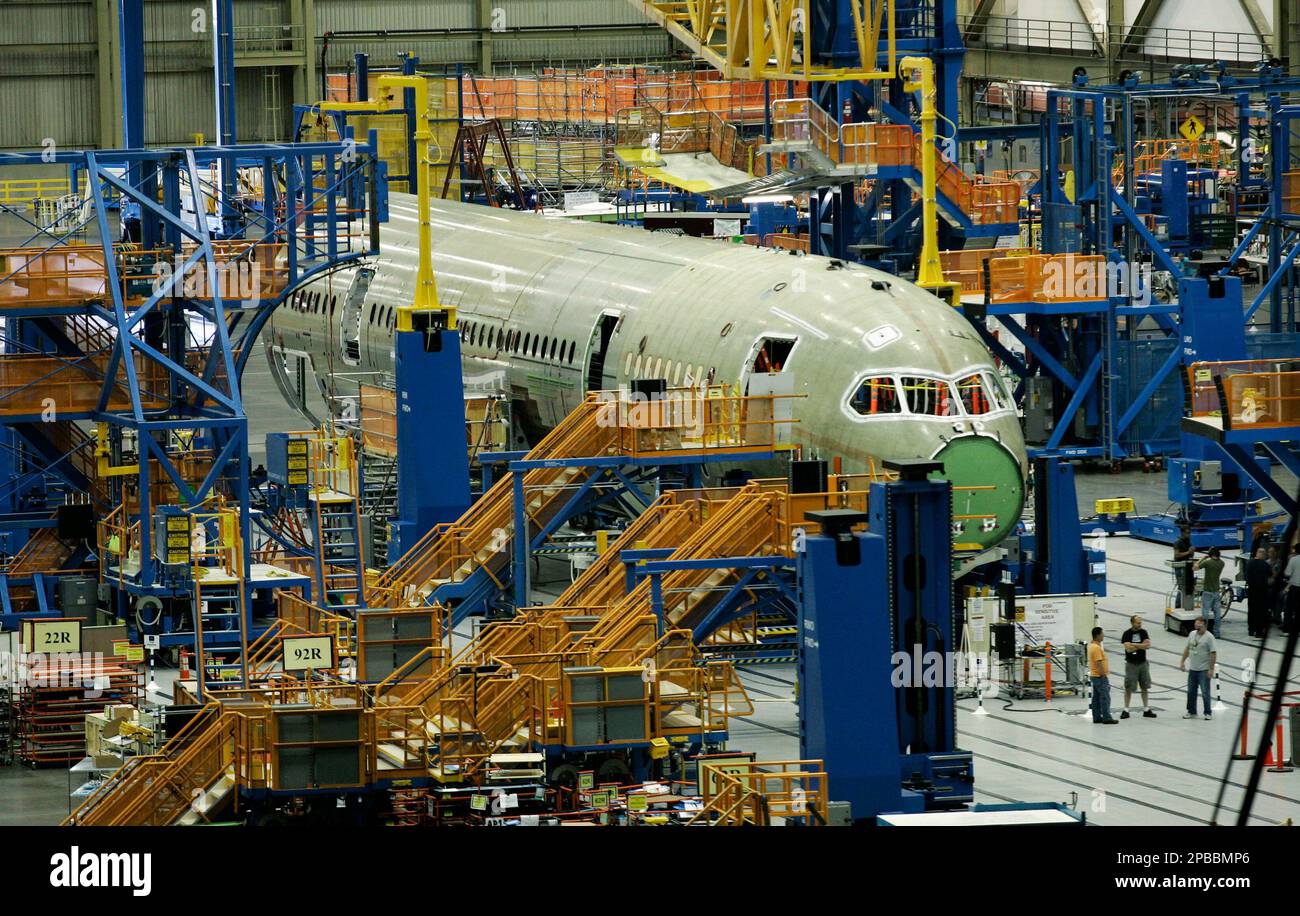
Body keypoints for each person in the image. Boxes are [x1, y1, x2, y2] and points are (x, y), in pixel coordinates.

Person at [1179, 617, 1217, 719]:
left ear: (1204, 625)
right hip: (1193, 669)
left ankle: (1207, 712)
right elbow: (1188, 648)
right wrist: (1182, 661)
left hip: (1203, 669)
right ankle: (1191, 711)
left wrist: (1211, 668)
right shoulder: (1192, 634)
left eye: (1199, 625)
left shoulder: (1209, 637)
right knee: (1191, 691)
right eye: (1196, 625)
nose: (1197, 627)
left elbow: (1213, 653)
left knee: (1205, 692)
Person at [1119, 615, 1156, 719]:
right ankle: (1126, 709)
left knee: (1145, 686)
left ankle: (1146, 709)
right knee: (1128, 687)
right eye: (1138, 623)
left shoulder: (1144, 632)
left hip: (1143, 663)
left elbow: (1147, 645)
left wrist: (1134, 645)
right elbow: (1128, 649)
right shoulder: (1127, 634)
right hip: (1131, 664)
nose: (1140, 625)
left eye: (1140, 623)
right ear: (1132, 623)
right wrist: (1141, 646)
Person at [1087, 626, 1118, 725]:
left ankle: (1096, 717)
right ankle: (1106, 717)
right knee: (1105, 697)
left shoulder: (1092, 646)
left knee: (1096, 697)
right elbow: (1098, 662)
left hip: (1095, 676)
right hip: (1099, 676)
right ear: (1098, 635)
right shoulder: (1096, 648)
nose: (1103, 635)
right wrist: (1103, 674)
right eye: (1102, 634)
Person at [1196, 547, 1225, 636]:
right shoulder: (1222, 563)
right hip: (1216, 591)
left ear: (1210, 554)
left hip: (1207, 591)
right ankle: (1217, 632)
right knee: (1217, 613)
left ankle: (1203, 631)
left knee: (1205, 613)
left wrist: (1202, 559)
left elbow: (1195, 568)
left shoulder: (1208, 562)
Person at [1245, 547, 1274, 638]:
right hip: (1262, 592)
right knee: (1261, 611)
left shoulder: (1249, 563)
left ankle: (1251, 630)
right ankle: (1259, 632)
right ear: (1263, 554)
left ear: (1257, 553)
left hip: (1252, 591)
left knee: (1251, 610)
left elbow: (1246, 576)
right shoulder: (1265, 564)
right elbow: (1271, 574)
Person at [1173, 524, 1195, 608]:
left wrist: (1192, 551)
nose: (1189, 534)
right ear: (1182, 533)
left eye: (1190, 533)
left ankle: (1185, 604)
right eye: (1187, 533)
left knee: (1188, 586)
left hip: (1187, 566)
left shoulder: (1188, 541)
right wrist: (1188, 552)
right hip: (1180, 567)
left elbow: (1190, 555)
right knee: (1181, 586)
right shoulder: (1177, 542)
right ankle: (1178, 605)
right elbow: (1177, 555)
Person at [1285, 542, 1300, 634]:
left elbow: (1288, 573)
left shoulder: (1293, 559)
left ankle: (1287, 628)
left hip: (1295, 588)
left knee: (1289, 609)